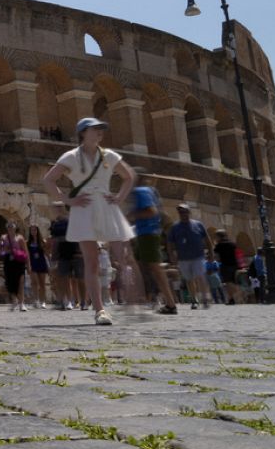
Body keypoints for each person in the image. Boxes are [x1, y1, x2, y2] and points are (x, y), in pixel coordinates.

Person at [41, 117, 136, 326]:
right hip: (83, 207)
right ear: (83, 133)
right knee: (91, 262)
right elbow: (48, 179)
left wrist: (119, 197)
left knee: (123, 257)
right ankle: (99, 310)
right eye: (95, 129)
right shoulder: (72, 156)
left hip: (106, 204)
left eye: (101, 129)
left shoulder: (109, 155)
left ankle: (132, 302)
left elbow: (128, 176)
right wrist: (67, 200)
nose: (99, 132)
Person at [127, 170, 178, 314]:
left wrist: (130, 215)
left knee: (155, 269)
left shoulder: (140, 191)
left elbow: (151, 211)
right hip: (148, 233)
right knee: (145, 267)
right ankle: (156, 299)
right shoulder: (149, 190)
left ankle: (170, 303)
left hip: (147, 233)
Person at [166, 203, 212, 309]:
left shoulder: (198, 225)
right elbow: (170, 243)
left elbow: (207, 240)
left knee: (200, 276)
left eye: (184, 212)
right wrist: (171, 255)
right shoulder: (174, 227)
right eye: (180, 212)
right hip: (183, 258)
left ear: (189, 212)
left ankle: (205, 298)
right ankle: (194, 299)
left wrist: (211, 253)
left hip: (198, 256)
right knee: (189, 279)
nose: (182, 214)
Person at [48, 202, 84, 310]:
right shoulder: (55, 224)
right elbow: (54, 241)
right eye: (55, 207)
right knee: (64, 277)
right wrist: (53, 257)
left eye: (59, 207)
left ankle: (83, 301)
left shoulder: (73, 220)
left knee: (80, 278)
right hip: (63, 254)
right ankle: (66, 300)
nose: (57, 209)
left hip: (76, 252)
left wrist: (81, 252)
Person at [0, 222, 29, 312]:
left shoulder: (20, 238)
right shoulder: (3, 237)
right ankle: (14, 301)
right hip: (9, 261)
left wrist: (28, 264)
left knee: (20, 282)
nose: (10, 228)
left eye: (12, 226)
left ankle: (21, 303)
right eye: (9, 226)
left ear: (15, 227)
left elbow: (26, 251)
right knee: (10, 281)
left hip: (19, 261)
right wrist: (5, 250)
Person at [212, 230, 241, 304]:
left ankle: (236, 294)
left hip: (225, 265)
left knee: (228, 283)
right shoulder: (232, 244)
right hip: (235, 265)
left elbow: (216, 257)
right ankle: (232, 298)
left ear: (218, 237)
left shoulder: (219, 245)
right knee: (233, 281)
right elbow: (238, 254)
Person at [26, 224, 50, 309]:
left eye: (35, 230)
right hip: (32, 263)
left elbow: (47, 253)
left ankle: (43, 301)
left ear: (37, 231)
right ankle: (35, 300)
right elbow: (27, 255)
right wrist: (28, 265)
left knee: (42, 283)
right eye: (32, 230)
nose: (33, 232)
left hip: (41, 263)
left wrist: (49, 264)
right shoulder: (28, 243)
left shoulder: (42, 241)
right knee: (34, 282)